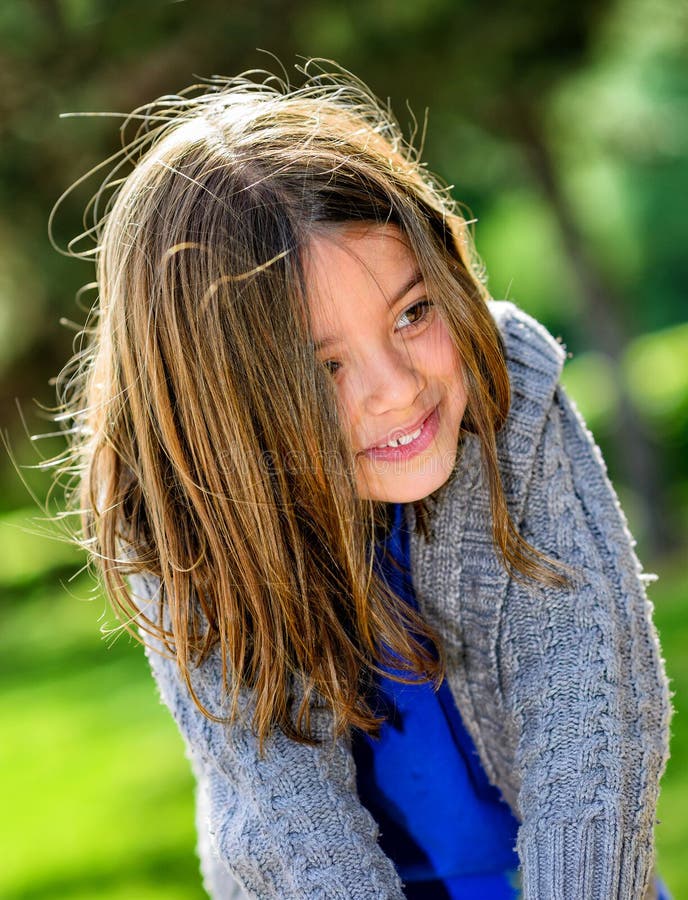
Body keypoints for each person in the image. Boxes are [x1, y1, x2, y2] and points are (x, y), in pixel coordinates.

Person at [54, 62, 672, 898]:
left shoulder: (507, 392)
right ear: (222, 407)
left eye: (413, 314)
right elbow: (283, 814)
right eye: (324, 368)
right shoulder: (179, 517)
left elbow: (587, 702)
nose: (397, 389)